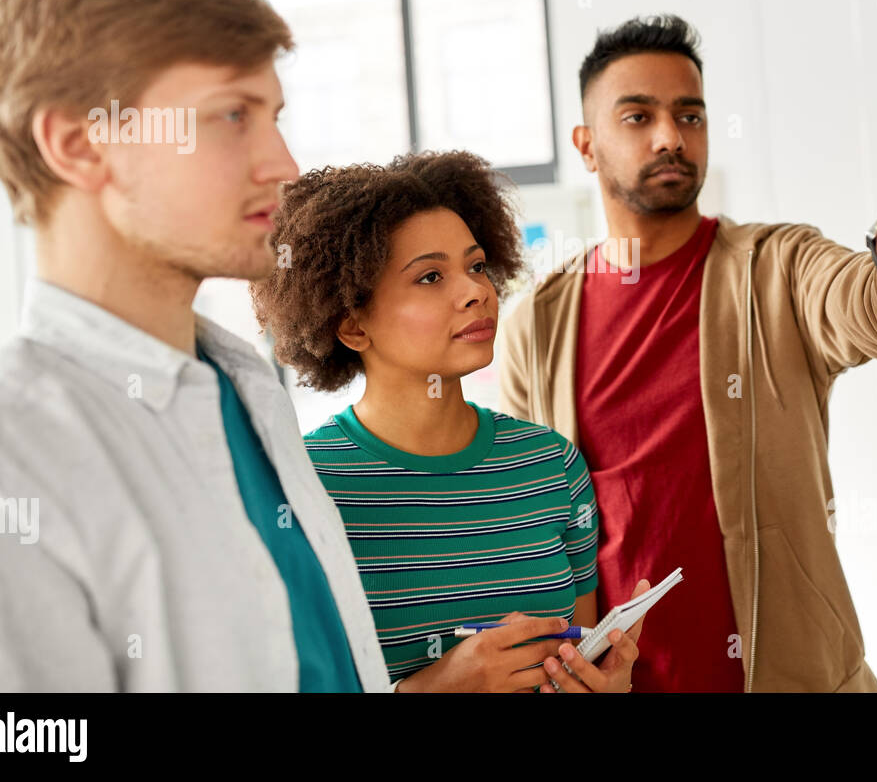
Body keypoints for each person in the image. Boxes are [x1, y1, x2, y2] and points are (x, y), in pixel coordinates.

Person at [498, 14, 877, 692]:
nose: (670, 137)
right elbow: (537, 538)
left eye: (689, 116)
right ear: (587, 145)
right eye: (637, 117)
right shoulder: (538, 328)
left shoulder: (775, 267)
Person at [0, 0, 389, 691]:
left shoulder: (247, 392)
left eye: (274, 116)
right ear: (80, 144)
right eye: (232, 115)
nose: (284, 162)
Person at [250, 151, 646, 692]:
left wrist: (607, 686)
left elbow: (578, 647)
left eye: (477, 265)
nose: (476, 291)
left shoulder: (551, 467)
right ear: (351, 326)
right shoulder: (302, 489)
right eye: (431, 276)